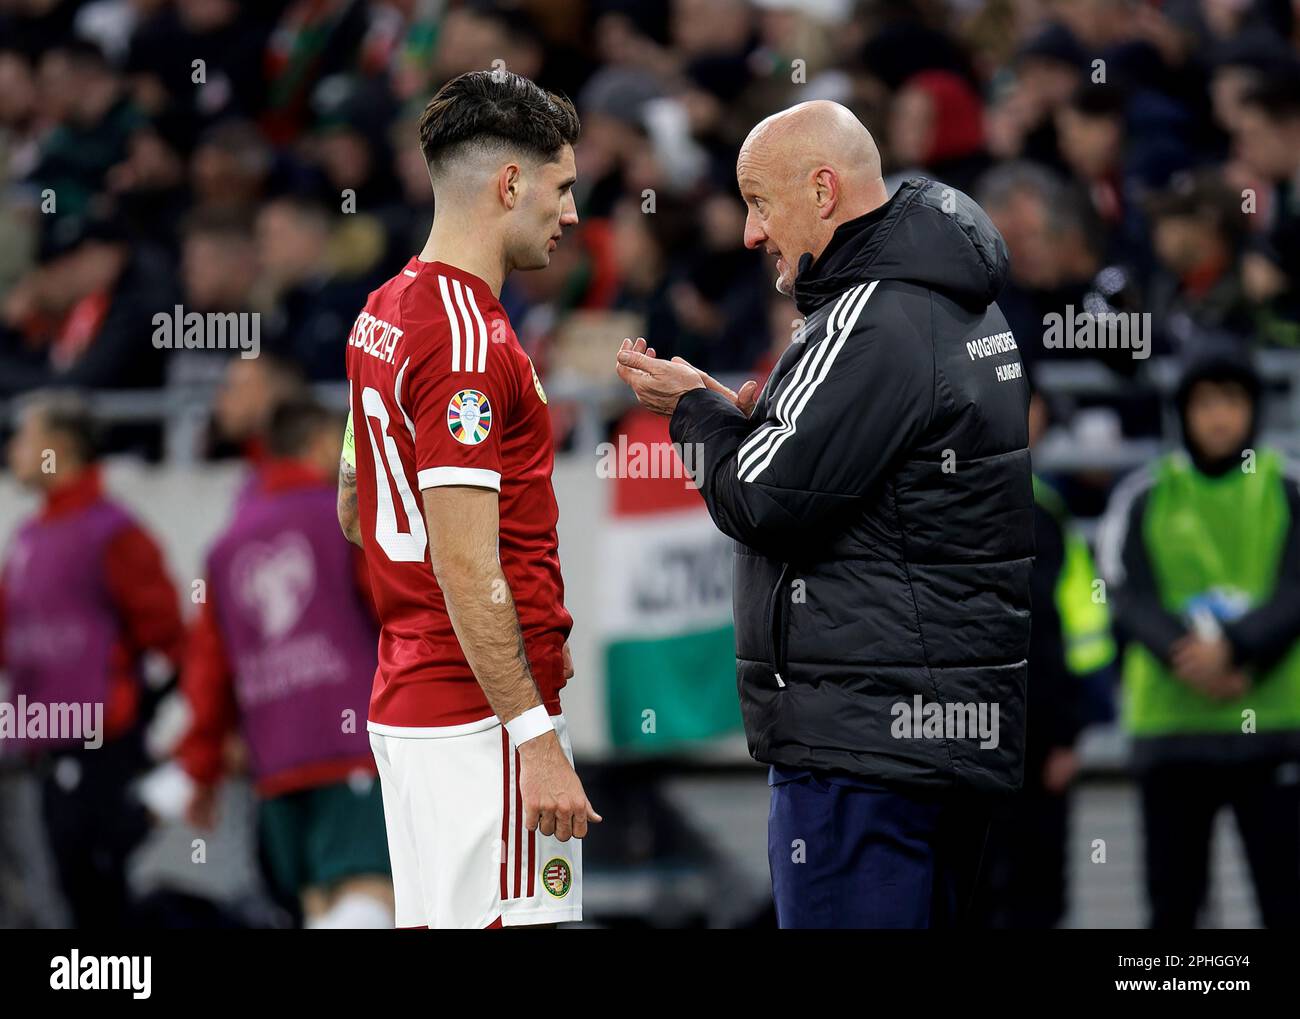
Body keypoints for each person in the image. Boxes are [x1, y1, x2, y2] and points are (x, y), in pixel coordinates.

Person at [616, 100, 1032, 928]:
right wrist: (752, 427)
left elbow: (763, 497)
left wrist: (693, 409)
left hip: (861, 745)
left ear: (822, 190)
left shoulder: (869, 316)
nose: (750, 233)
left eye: (759, 202)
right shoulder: (962, 304)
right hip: (939, 737)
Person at [340, 70, 598, 930]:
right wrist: (535, 737)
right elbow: (463, 563)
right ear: (510, 184)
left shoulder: (381, 311)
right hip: (479, 721)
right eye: (561, 189)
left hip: (412, 705)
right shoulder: (466, 341)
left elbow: (355, 508)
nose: (571, 215)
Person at [1097, 350, 1300, 929]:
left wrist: (1236, 649)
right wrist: (1193, 657)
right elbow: (1122, 588)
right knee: (1174, 908)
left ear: (1254, 409)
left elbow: (1295, 588)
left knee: (1287, 901)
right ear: (1183, 412)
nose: (1218, 417)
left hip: (1273, 730)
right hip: (1173, 732)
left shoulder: (1286, 486)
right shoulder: (1145, 494)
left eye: (1232, 401)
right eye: (1205, 402)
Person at [172, 397, 392, 928]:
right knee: (372, 900)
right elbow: (398, 612)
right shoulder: (345, 516)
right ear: (320, 445)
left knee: (319, 907)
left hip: (275, 765)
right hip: (357, 748)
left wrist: (201, 766)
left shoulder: (226, 545)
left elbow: (208, 672)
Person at [0, 391, 184, 926]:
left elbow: (168, 633)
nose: (12, 449)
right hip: (44, 746)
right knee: (67, 895)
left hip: (101, 746)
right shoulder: (29, 537)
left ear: (59, 445)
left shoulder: (112, 530)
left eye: (23, 436)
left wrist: (145, 719)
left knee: (102, 895)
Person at [975, 380, 1115, 929]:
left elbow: (1079, 633)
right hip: (964, 743)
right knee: (973, 891)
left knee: (1039, 894)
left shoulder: (1050, 514)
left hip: (1039, 743)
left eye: (1028, 403)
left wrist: (1068, 735)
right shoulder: (941, 502)